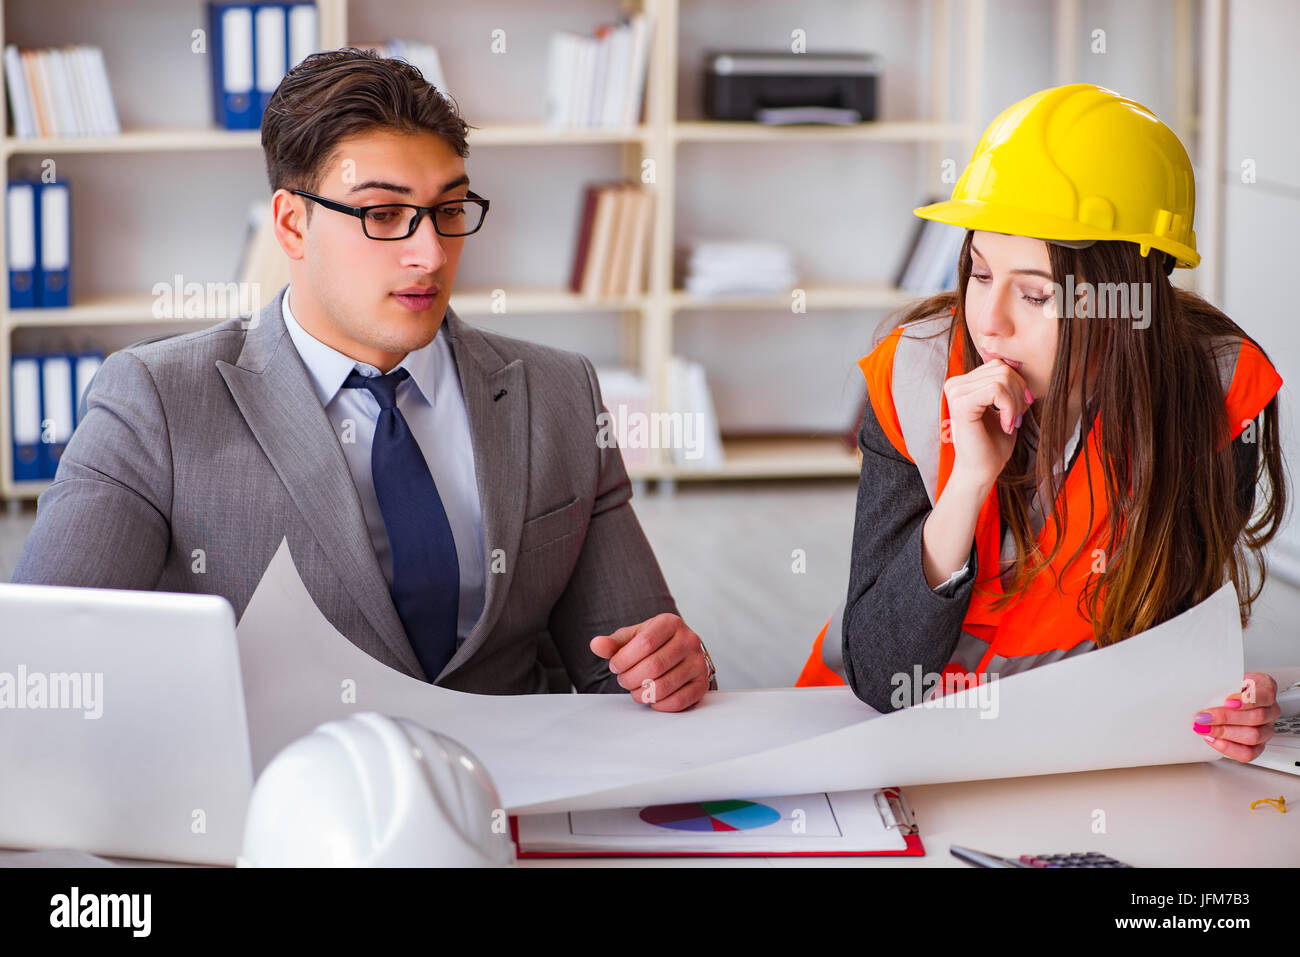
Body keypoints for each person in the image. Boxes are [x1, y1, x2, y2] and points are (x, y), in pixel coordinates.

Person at [12, 48, 715, 711]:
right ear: (293, 224)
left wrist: (674, 669)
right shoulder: (156, 402)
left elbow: (625, 669)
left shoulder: (560, 393)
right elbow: (41, 673)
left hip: (510, 816)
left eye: (447, 210)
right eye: (383, 214)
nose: (430, 253)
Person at [796, 83, 1288, 763]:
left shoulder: (1216, 390)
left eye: (1035, 292)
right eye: (977, 272)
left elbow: (1173, 641)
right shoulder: (912, 377)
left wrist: (1223, 701)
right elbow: (882, 676)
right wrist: (968, 483)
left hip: (1069, 749)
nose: (990, 320)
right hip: (879, 744)